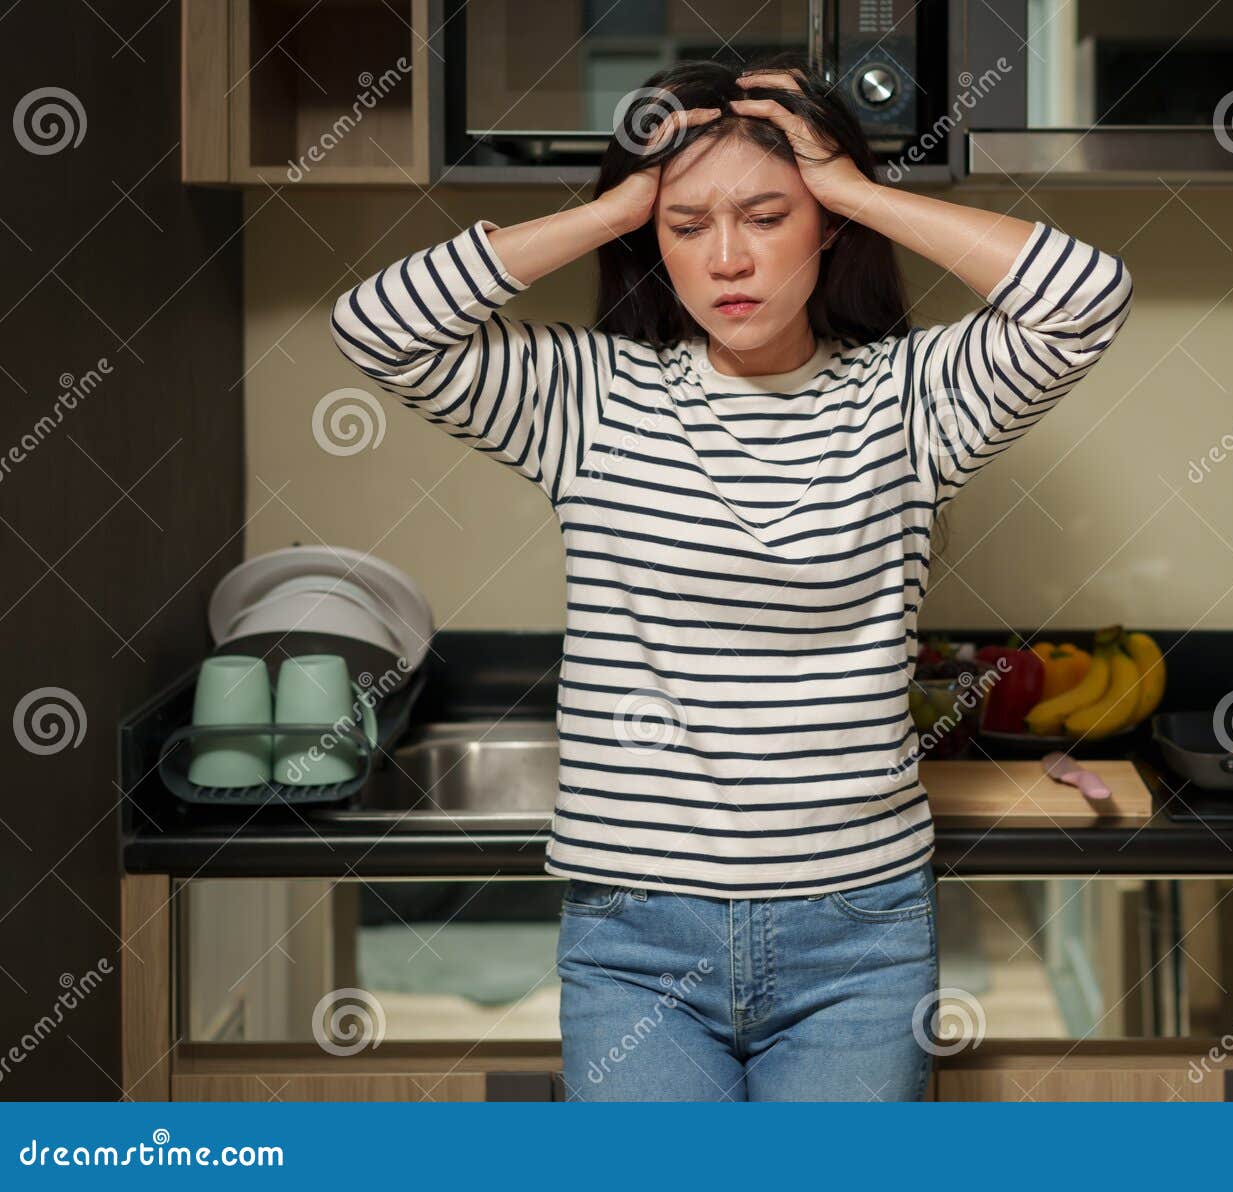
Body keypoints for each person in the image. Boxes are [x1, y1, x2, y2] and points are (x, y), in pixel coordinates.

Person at [330, 53, 1133, 1101]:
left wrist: (854, 184)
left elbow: (1086, 298)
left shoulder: (911, 399)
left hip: (858, 937)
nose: (726, 259)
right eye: (687, 225)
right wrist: (617, 203)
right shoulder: (590, 396)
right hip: (635, 940)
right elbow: (375, 326)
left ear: (825, 228)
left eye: (766, 214)